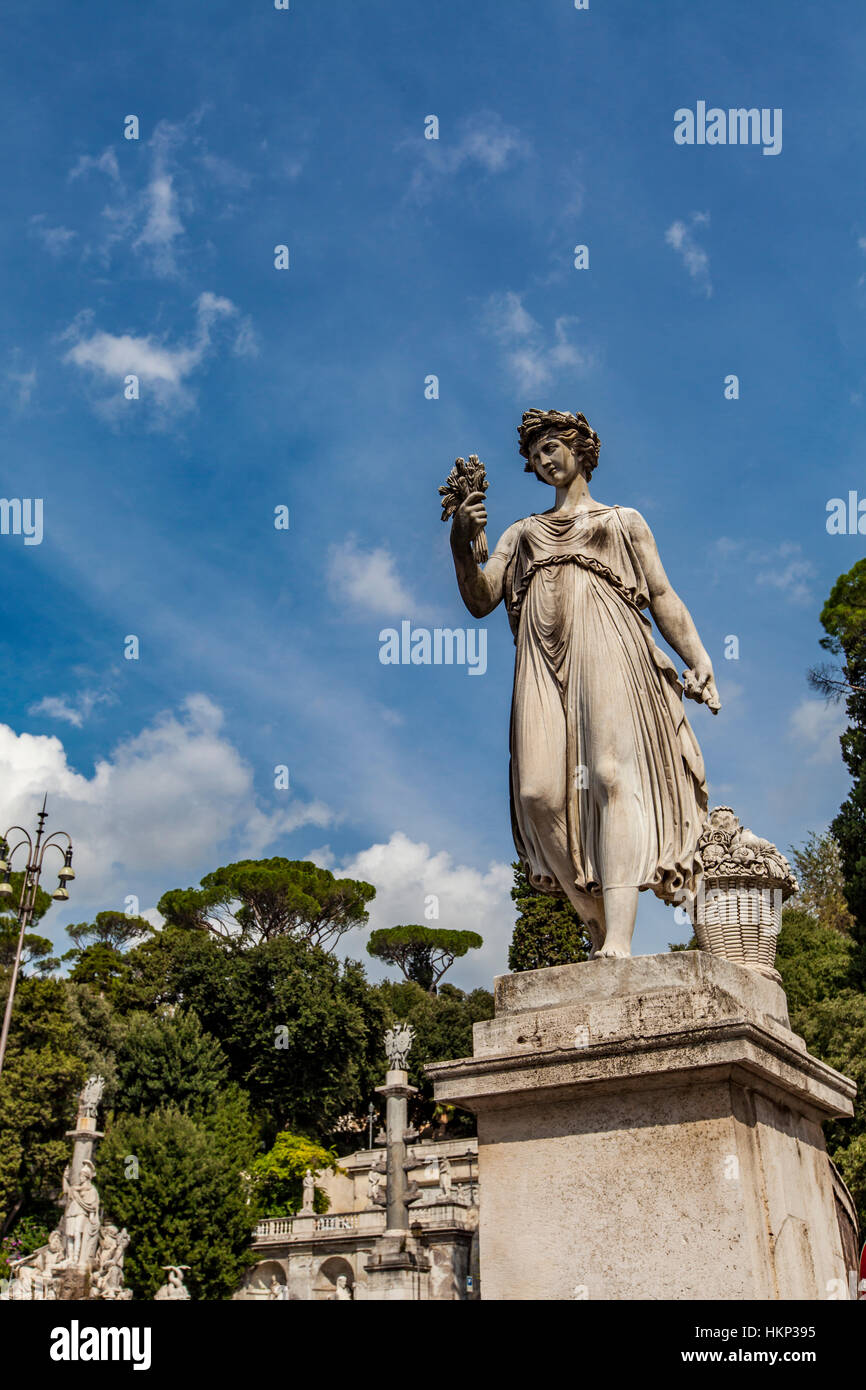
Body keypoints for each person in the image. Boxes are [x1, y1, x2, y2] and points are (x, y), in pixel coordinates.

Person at [450, 409, 719, 958]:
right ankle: (595, 919)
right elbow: (481, 599)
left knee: (610, 776)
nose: (542, 459)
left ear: (578, 448)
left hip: (609, 641)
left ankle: (618, 939)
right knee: (539, 792)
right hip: (538, 655)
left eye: (551, 446)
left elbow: (663, 595)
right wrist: (461, 542)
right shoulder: (520, 533)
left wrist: (696, 656)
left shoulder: (622, 521)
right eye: (534, 454)